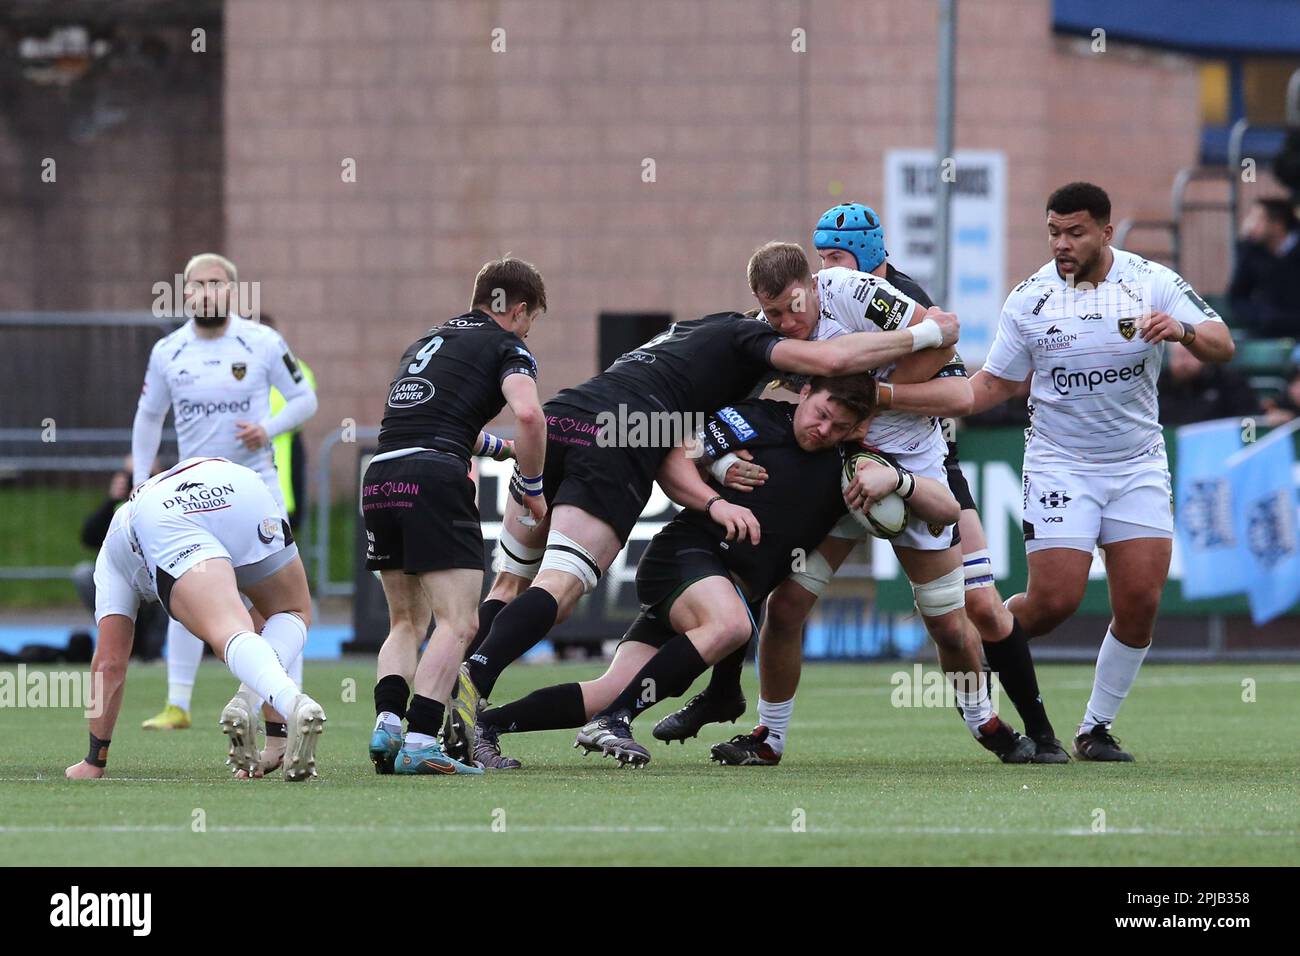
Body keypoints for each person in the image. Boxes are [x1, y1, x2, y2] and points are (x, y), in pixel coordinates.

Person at [450, 262, 961, 763]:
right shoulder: (758, 393)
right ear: (801, 386)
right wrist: (924, 334)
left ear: (856, 429)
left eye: (838, 423)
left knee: (550, 621)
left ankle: (474, 718)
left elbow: (947, 508)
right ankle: (496, 692)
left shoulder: (851, 457)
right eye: (821, 411)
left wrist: (900, 479)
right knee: (630, 603)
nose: (824, 427)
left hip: (571, 421)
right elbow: (690, 444)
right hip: (662, 509)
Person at [665, 207, 1061, 764]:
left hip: (909, 463)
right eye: (770, 312)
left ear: (815, 283)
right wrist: (722, 457)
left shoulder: (857, 293)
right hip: (836, 467)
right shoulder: (770, 332)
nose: (783, 322)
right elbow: (728, 403)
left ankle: (990, 724)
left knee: (952, 623)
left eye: (791, 307)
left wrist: (872, 403)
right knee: (785, 605)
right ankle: (768, 736)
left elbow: (944, 347)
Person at [968, 182, 1234, 761]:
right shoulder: (1030, 299)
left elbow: (1222, 342)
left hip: (1137, 462)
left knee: (1140, 601)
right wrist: (903, 400)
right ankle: (976, 644)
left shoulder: (1150, 280)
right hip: (1060, 463)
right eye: (1053, 232)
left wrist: (1182, 330)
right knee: (1054, 602)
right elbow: (992, 384)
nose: (1062, 243)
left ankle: (1094, 730)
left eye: (1075, 232)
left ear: (1106, 232)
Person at [365, 257, 549, 776]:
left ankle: (389, 725)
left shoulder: (431, 339)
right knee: (459, 621)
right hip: (434, 478)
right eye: (530, 319)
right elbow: (532, 414)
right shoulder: (506, 345)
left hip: (381, 475)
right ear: (516, 310)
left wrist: (496, 447)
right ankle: (423, 740)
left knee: (405, 620)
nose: (528, 330)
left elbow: (438, 417)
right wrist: (532, 486)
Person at [133, 253, 318, 733]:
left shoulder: (261, 342)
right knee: (186, 591)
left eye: (216, 283)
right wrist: (140, 479)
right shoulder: (168, 352)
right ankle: (178, 704)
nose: (206, 292)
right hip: (192, 496)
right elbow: (149, 417)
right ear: (185, 293)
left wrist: (268, 427)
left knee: (281, 603)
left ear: (232, 292)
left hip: (256, 492)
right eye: (197, 285)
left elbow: (305, 399)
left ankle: (283, 709)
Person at [64, 456, 325, 781]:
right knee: (290, 611)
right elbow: (264, 624)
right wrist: (274, 735)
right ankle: (256, 714)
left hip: (166, 513)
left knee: (229, 632)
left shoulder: (111, 559)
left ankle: (295, 703)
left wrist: (94, 759)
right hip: (240, 484)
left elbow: (109, 664)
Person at [72, 457, 167, 660]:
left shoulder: (167, 503)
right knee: (83, 573)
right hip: (123, 576)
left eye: (146, 475)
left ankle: (153, 651)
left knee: (177, 577)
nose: (138, 480)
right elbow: (89, 537)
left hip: (158, 576)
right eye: (132, 475)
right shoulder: (118, 506)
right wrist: (113, 501)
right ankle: (121, 642)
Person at [1229, 198, 1300, 338]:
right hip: (1267, 330)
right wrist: (1261, 316)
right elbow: (1237, 297)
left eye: (1257, 219)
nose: (1250, 225)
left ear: (1277, 225)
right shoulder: (1252, 251)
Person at [1158, 341, 1259, 426]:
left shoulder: (1228, 382)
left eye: (1188, 355)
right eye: (1177, 357)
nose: (1183, 363)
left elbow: (1249, 420)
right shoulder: (1161, 384)